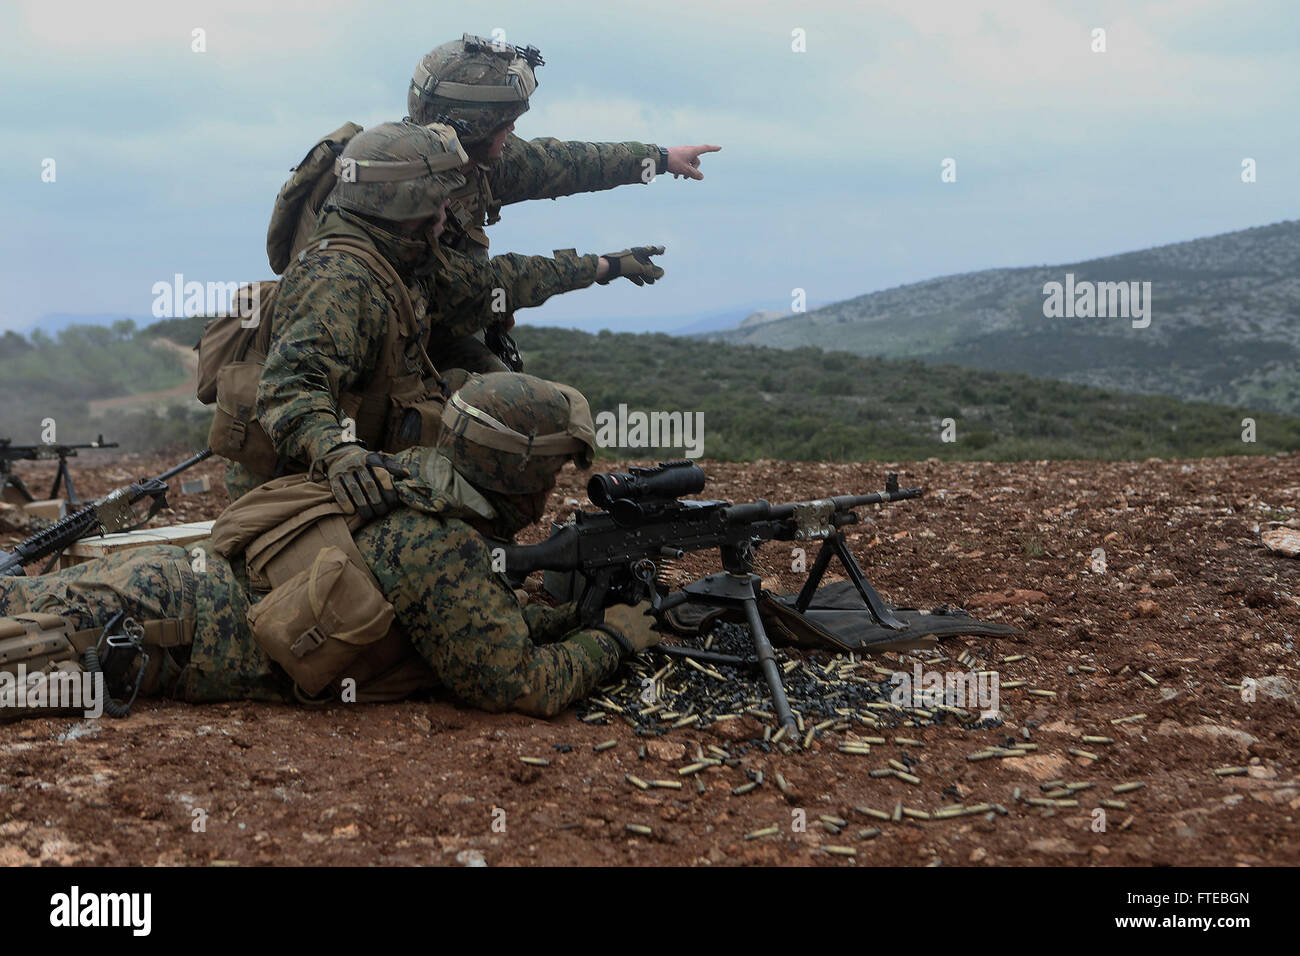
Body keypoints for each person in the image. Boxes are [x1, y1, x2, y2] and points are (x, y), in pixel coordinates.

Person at [0, 374, 661, 721]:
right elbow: (519, 685)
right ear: (517, 471)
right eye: (550, 470)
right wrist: (614, 639)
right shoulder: (442, 544)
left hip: (171, 590)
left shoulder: (409, 482)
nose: (551, 487)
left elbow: (474, 624)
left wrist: (575, 613)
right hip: (154, 624)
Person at [226, 120, 663, 506]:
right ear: (407, 202)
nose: (447, 209)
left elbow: (500, 280)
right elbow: (288, 387)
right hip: (304, 482)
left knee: (501, 399)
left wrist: (603, 266)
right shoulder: (339, 280)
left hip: (361, 461)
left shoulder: (401, 253)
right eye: (438, 197)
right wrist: (339, 454)